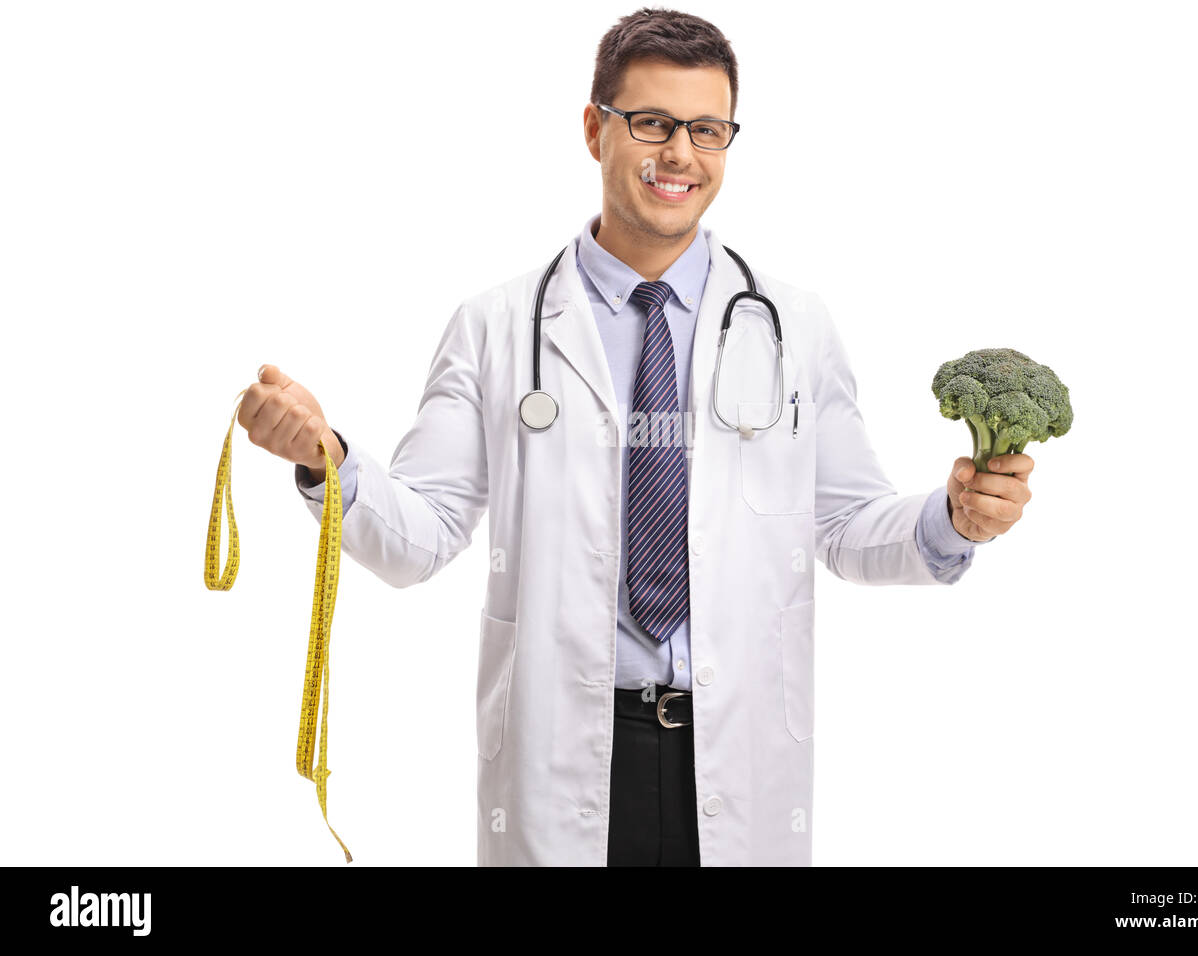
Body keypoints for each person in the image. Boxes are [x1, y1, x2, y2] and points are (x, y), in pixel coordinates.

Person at [236, 7, 1035, 866]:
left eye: (707, 129)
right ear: (595, 129)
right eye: (651, 122)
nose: (680, 154)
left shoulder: (796, 326)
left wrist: (953, 521)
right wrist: (328, 460)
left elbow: (844, 526)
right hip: (566, 752)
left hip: (739, 753)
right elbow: (419, 538)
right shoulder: (496, 328)